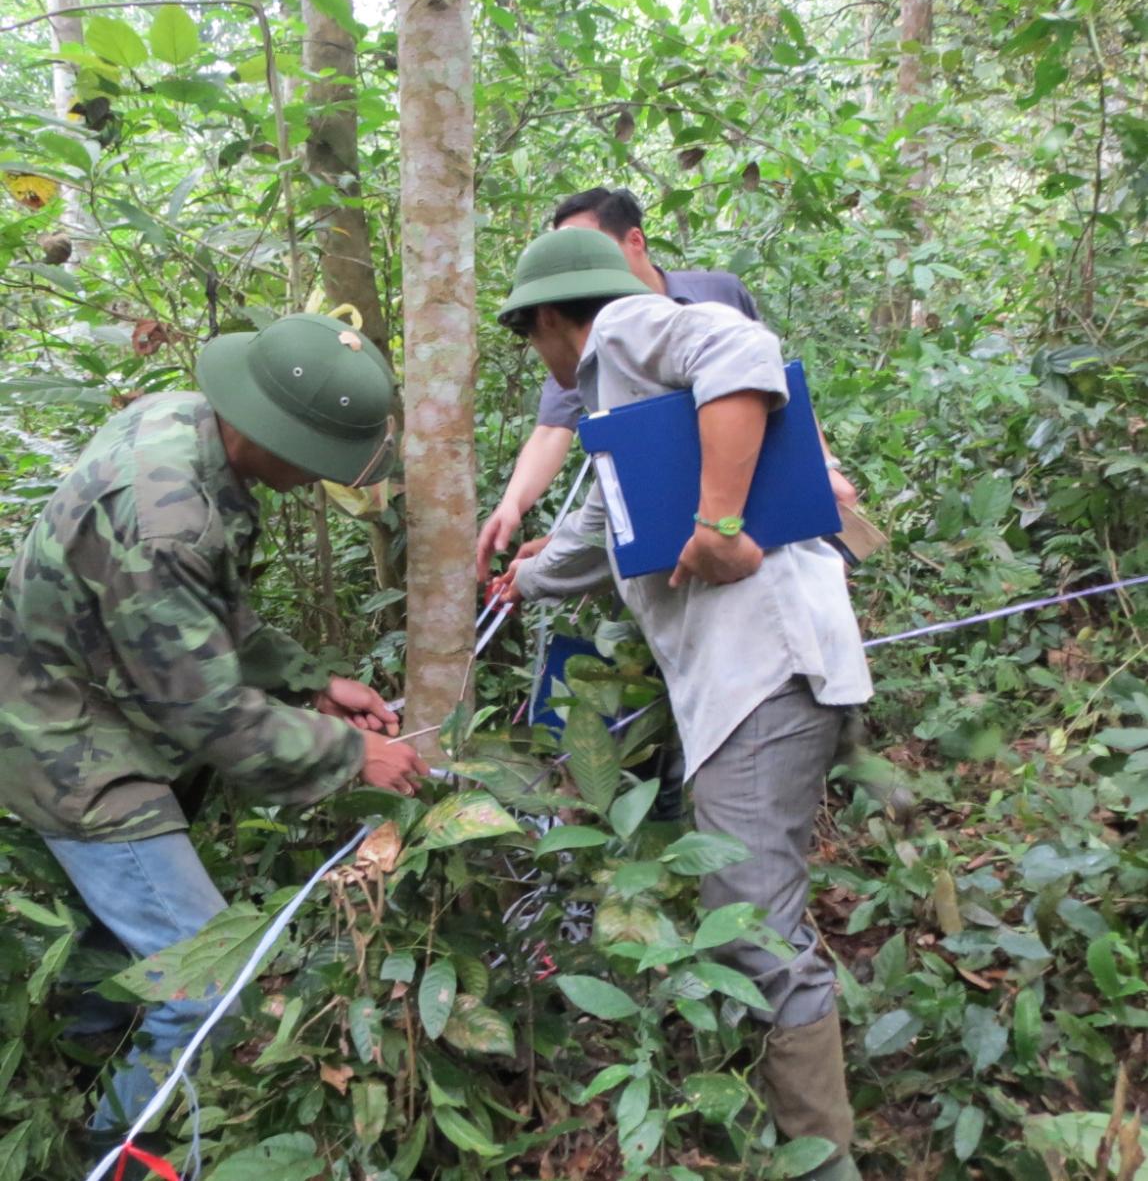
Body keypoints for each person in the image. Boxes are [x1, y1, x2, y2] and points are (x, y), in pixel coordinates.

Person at [491, 230, 872, 1181]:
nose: (539, 357)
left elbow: (741, 350)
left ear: (550, 320)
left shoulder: (618, 332)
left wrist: (718, 523)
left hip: (761, 676)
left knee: (753, 922)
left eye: (532, 335)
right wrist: (522, 579)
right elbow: (593, 533)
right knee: (756, 898)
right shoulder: (615, 406)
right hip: (773, 675)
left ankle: (821, 1165)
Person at [0, 313, 429, 1139]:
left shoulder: (181, 420)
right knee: (212, 984)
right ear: (278, 437)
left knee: (123, 945)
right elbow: (213, 717)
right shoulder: (164, 522)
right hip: (67, 746)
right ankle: (123, 1151)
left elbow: (201, 613)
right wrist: (353, 753)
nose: (321, 480)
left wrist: (311, 681)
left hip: (98, 698)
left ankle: (92, 1053)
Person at [476, 186, 857, 578]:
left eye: (586, 245)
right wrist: (514, 507)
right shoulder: (587, 345)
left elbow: (765, 371)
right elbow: (555, 430)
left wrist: (820, 466)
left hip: (748, 516)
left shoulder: (706, 295)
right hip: (688, 526)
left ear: (635, 241)